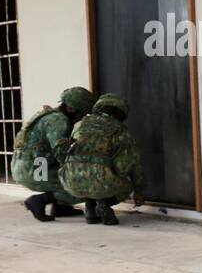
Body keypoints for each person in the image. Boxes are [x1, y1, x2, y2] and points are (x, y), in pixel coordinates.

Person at [11, 86, 96, 221]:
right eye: (83, 114)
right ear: (71, 109)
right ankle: (39, 201)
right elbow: (62, 152)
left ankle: (61, 208)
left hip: (26, 165)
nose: (83, 118)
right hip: (35, 170)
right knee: (88, 185)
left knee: (68, 177)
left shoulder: (51, 116)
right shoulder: (59, 121)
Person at [59, 93, 145, 226]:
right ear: (121, 113)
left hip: (70, 182)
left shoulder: (79, 125)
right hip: (103, 185)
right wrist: (138, 190)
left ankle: (90, 212)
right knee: (124, 183)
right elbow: (127, 164)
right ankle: (104, 204)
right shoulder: (119, 130)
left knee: (88, 177)